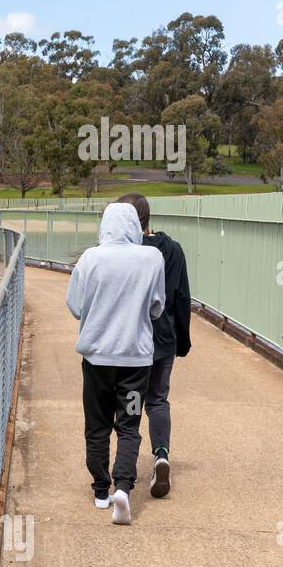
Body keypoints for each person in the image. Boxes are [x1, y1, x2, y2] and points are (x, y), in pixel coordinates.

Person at [66, 201, 166, 525]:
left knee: (96, 425)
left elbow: (76, 307)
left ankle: (100, 491)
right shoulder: (152, 258)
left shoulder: (90, 258)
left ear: (105, 225)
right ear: (136, 227)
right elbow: (156, 308)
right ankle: (123, 487)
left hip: (97, 360)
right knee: (129, 425)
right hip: (136, 362)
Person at [117, 193, 192, 499]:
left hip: (135, 339)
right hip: (164, 338)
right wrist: (182, 341)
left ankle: (127, 470)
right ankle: (161, 454)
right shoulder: (173, 250)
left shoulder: (124, 252)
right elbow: (182, 298)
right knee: (158, 399)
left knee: (133, 399)